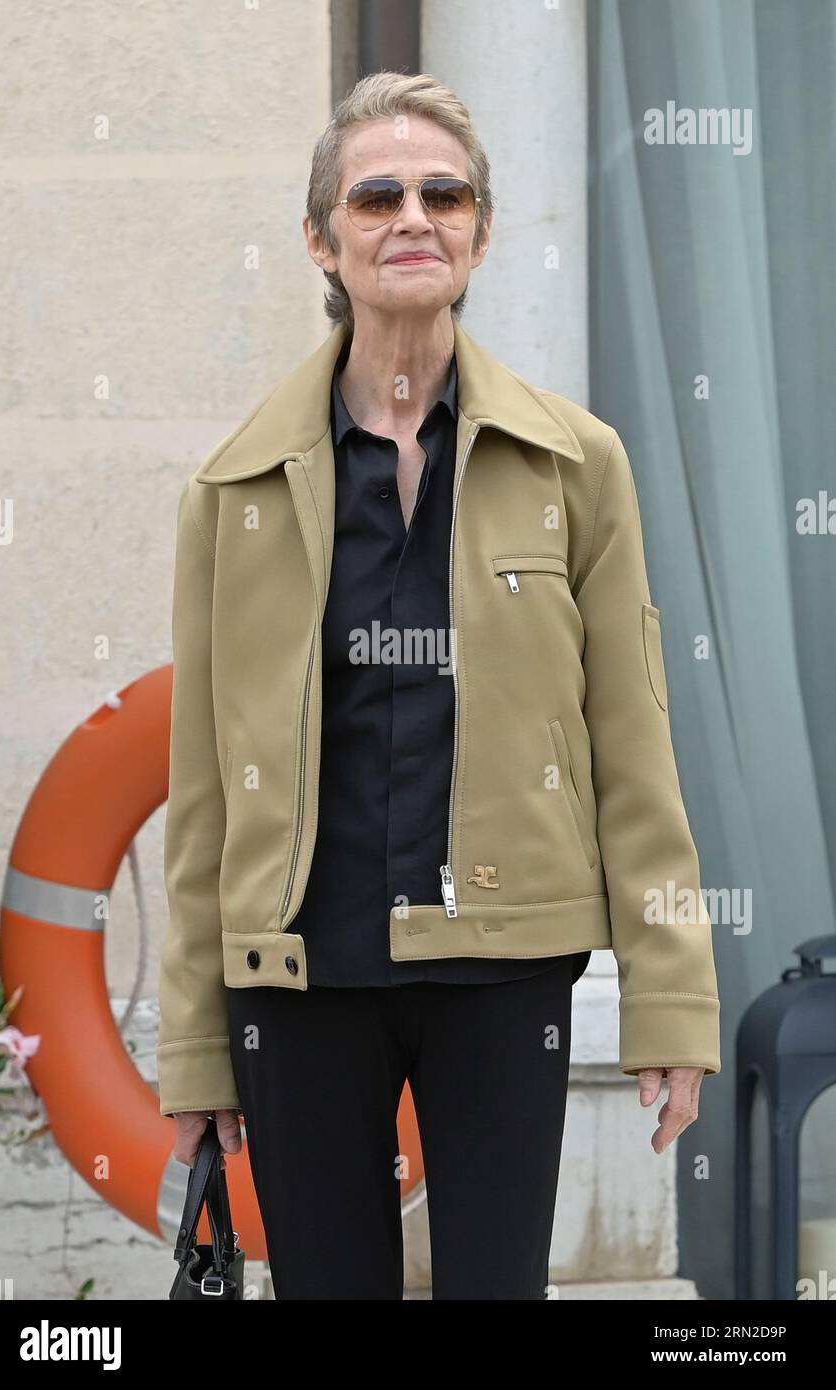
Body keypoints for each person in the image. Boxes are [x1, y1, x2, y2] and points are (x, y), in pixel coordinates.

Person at [157, 71, 720, 1300]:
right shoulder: (231, 491)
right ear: (322, 238)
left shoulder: (580, 465)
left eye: (443, 192)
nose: (413, 215)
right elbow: (202, 786)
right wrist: (196, 1046)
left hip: (502, 973)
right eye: (375, 195)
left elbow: (632, 744)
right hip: (297, 978)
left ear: (477, 229)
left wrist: (671, 998)